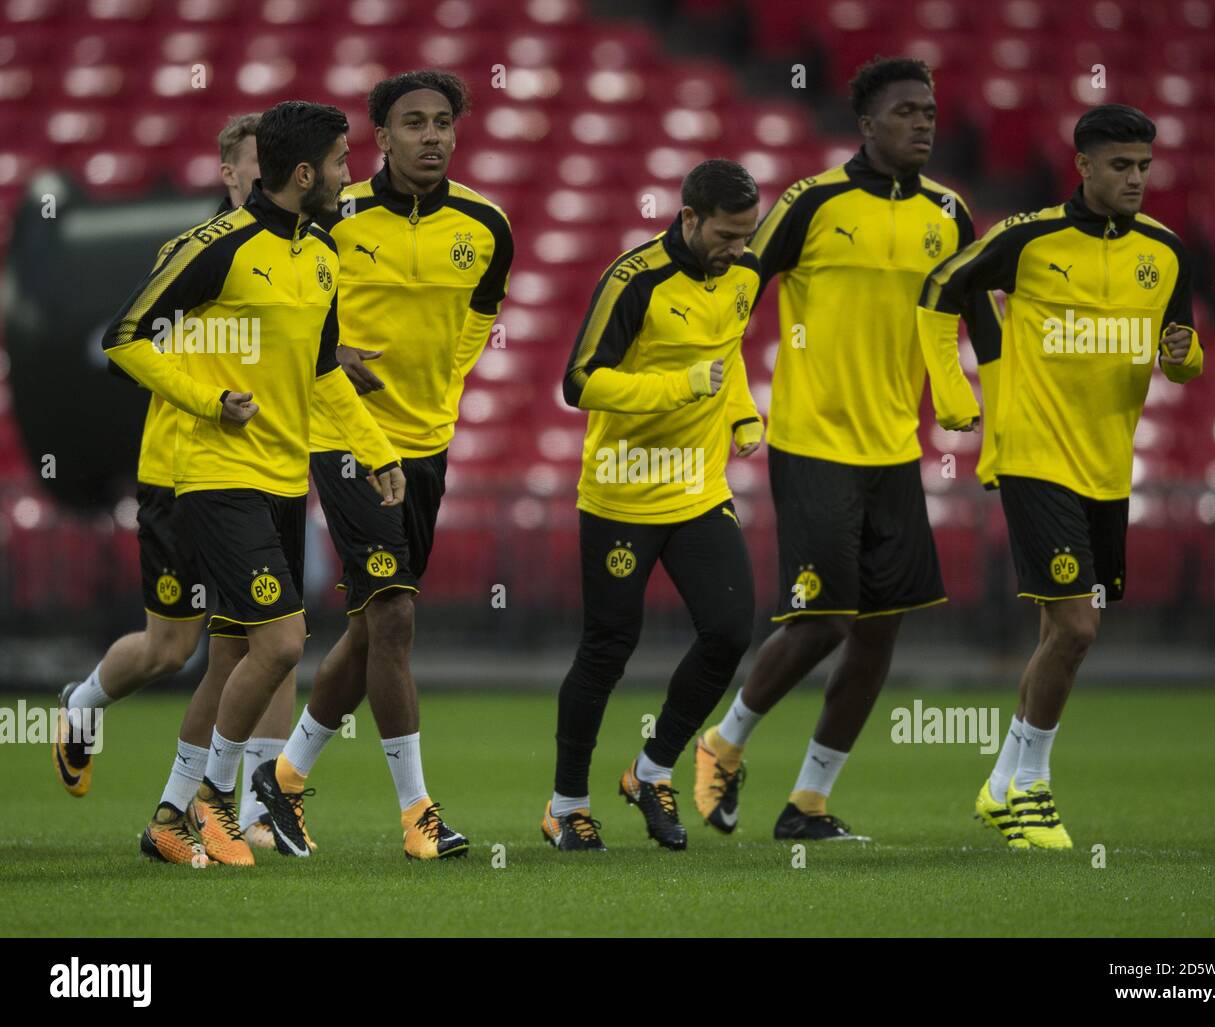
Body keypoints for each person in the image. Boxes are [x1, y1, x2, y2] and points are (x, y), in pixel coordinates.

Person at [693, 57, 999, 840]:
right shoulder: (813, 201)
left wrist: (1003, 418)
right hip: (813, 440)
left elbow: (981, 323)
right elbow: (737, 290)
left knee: (879, 629)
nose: (924, 123)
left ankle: (808, 803)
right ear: (866, 124)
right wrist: (719, 390)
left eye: (930, 110)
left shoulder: (949, 213)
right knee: (823, 618)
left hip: (895, 448)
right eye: (906, 111)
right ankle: (723, 742)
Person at [101, 100, 404, 866]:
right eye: (341, 162)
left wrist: (375, 449)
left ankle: (170, 816)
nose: (349, 174)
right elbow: (125, 337)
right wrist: (208, 400)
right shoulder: (219, 244)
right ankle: (214, 801)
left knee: (238, 656)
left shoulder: (324, 253)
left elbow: (324, 372)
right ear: (305, 172)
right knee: (283, 642)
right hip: (214, 475)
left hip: (280, 478)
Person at [916, 103, 1203, 848]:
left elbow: (1184, 352)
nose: (1136, 178)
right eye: (1120, 166)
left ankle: (1001, 784)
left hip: (1107, 468)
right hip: (1033, 454)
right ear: (1083, 166)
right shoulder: (1029, 238)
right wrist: (953, 385)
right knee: (1079, 624)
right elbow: (938, 290)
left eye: (1144, 165)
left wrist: (1184, 356)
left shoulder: (1166, 252)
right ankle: (1033, 786)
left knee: (1060, 634)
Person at [252, 71, 513, 861]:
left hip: (426, 443)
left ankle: (284, 778)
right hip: (343, 433)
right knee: (395, 615)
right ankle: (418, 813)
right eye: (413, 123)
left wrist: (442, 390)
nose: (431, 135)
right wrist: (335, 359)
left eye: (443, 122)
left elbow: (481, 318)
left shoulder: (487, 224)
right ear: (381, 138)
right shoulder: (335, 217)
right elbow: (289, 315)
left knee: (371, 627)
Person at [54, 113, 297, 850]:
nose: (268, 179)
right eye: (255, 167)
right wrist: (209, 401)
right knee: (171, 648)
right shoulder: (195, 251)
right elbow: (129, 344)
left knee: (270, 637)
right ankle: (84, 702)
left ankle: (248, 807)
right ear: (227, 175)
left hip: (257, 472)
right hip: (179, 469)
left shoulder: (294, 252)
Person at [542, 159, 764, 852]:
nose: (738, 249)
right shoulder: (633, 279)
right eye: (727, 235)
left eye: (747, 235)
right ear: (689, 219)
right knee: (609, 647)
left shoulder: (746, 276)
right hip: (622, 486)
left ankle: (652, 769)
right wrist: (680, 386)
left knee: (729, 630)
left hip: (698, 488)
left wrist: (742, 413)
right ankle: (566, 805)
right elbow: (578, 382)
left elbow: (723, 358)